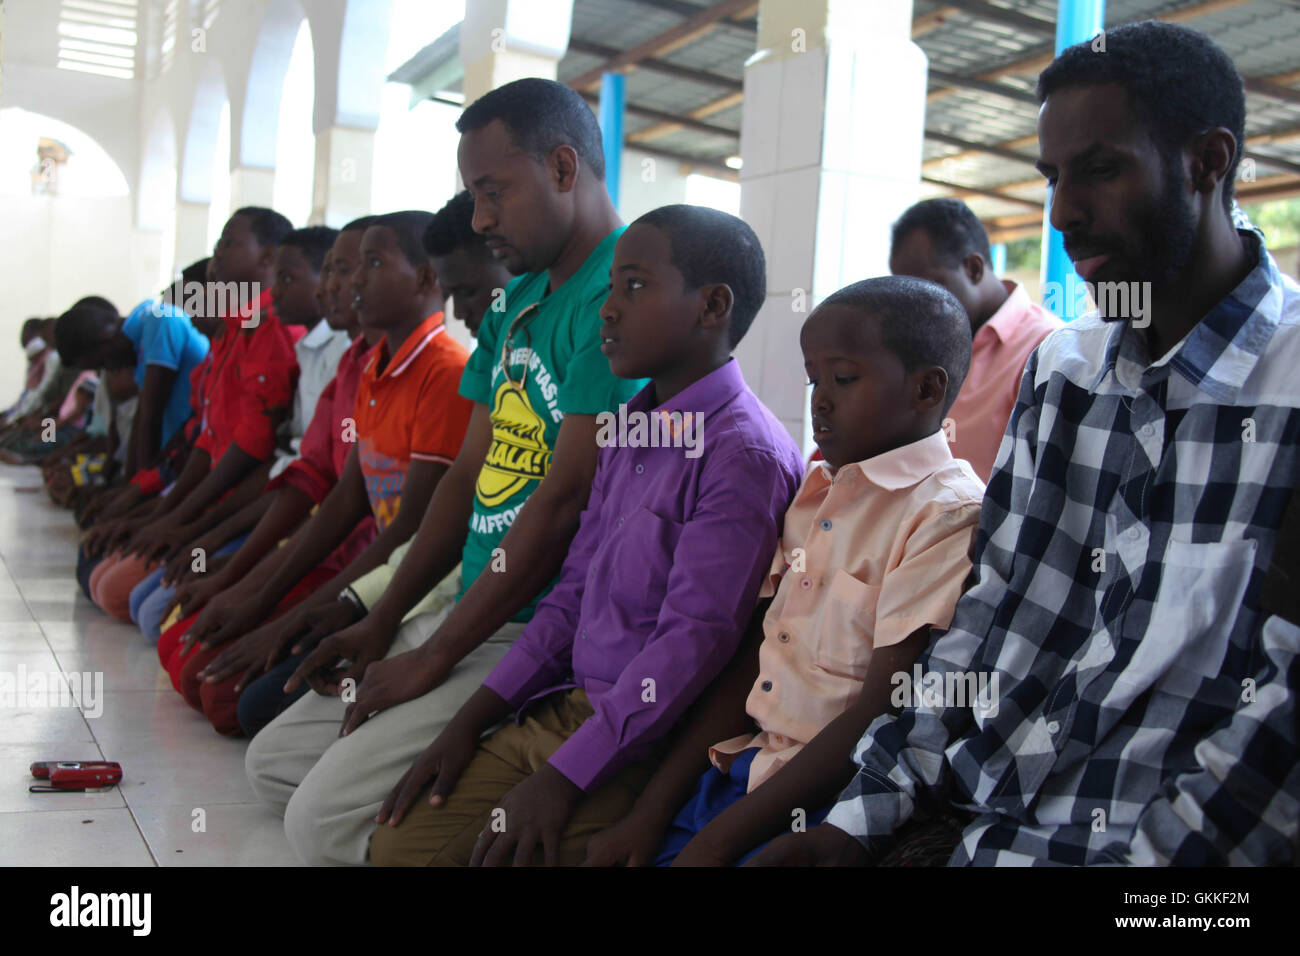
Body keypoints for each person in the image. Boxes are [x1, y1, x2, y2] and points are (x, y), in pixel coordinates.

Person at [753, 20, 1300, 867]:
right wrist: (852, 823)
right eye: (1052, 177)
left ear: (1207, 161)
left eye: (1102, 169)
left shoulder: (1289, 387)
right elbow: (992, 619)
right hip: (974, 814)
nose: (1063, 212)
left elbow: (1279, 734)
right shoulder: (1066, 372)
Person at [244, 77, 648, 866]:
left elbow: (563, 501)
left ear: (564, 168)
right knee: (273, 766)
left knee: (317, 826)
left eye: (493, 191)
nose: (481, 218)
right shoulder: (516, 301)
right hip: (468, 604)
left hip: (534, 626)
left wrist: (434, 658)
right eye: (474, 194)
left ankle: (510, 764)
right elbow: (467, 477)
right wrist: (388, 621)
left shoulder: (619, 300)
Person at [367, 204, 804, 866]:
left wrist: (564, 778)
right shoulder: (631, 424)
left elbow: (691, 643)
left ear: (713, 306)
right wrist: (468, 722)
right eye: (611, 287)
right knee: (392, 846)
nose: (607, 309)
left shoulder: (742, 455)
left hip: (641, 742)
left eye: (635, 286)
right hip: (565, 709)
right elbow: (571, 591)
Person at [578, 276, 983, 867]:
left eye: (843, 379)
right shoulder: (819, 489)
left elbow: (883, 710)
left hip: (829, 802)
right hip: (741, 771)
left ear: (926, 389)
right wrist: (649, 814)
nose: (819, 400)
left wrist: (717, 843)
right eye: (813, 379)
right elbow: (753, 660)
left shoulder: (945, 515)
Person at [166, 211, 473, 736]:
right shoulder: (373, 366)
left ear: (427, 278)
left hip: (394, 578)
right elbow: (344, 495)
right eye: (346, 269)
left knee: (228, 699)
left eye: (370, 265)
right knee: (189, 656)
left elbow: (409, 530)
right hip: (361, 571)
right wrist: (255, 595)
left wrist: (289, 615)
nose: (352, 282)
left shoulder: (446, 372)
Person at [84, 207, 299, 622]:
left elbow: (259, 449)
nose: (217, 254)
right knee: (101, 575)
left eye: (228, 243)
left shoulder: (272, 329)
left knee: (133, 604)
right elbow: (203, 440)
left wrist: (183, 523)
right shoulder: (231, 335)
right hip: (215, 500)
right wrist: (156, 506)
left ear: (268, 258)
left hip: (251, 508)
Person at [889, 198, 1061, 482]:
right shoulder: (925, 342)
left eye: (928, 289)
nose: (914, 309)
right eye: (905, 293)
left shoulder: (1045, 348)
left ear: (973, 269)